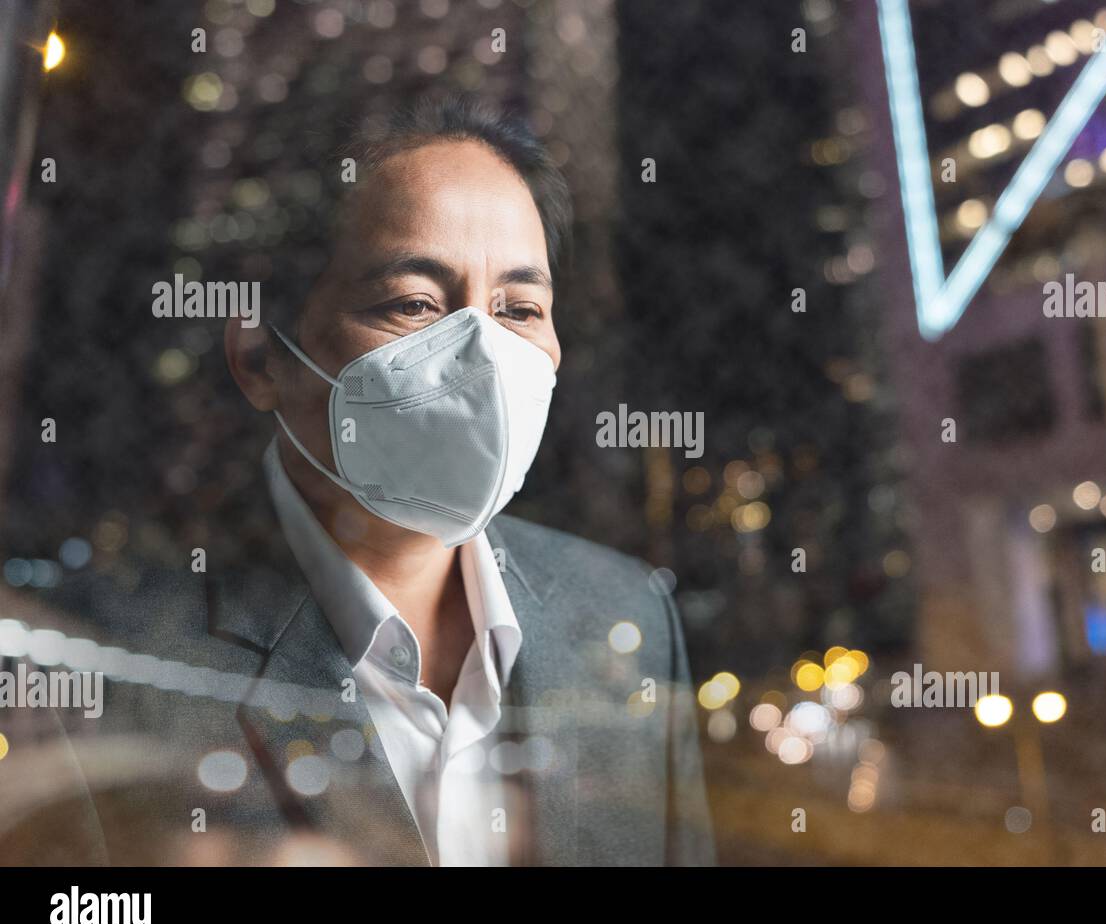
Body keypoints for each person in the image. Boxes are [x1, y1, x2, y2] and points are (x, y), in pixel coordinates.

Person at [0, 95, 714, 867]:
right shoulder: (115, 662)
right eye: (413, 303)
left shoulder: (626, 614)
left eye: (520, 307)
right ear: (261, 359)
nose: (482, 354)